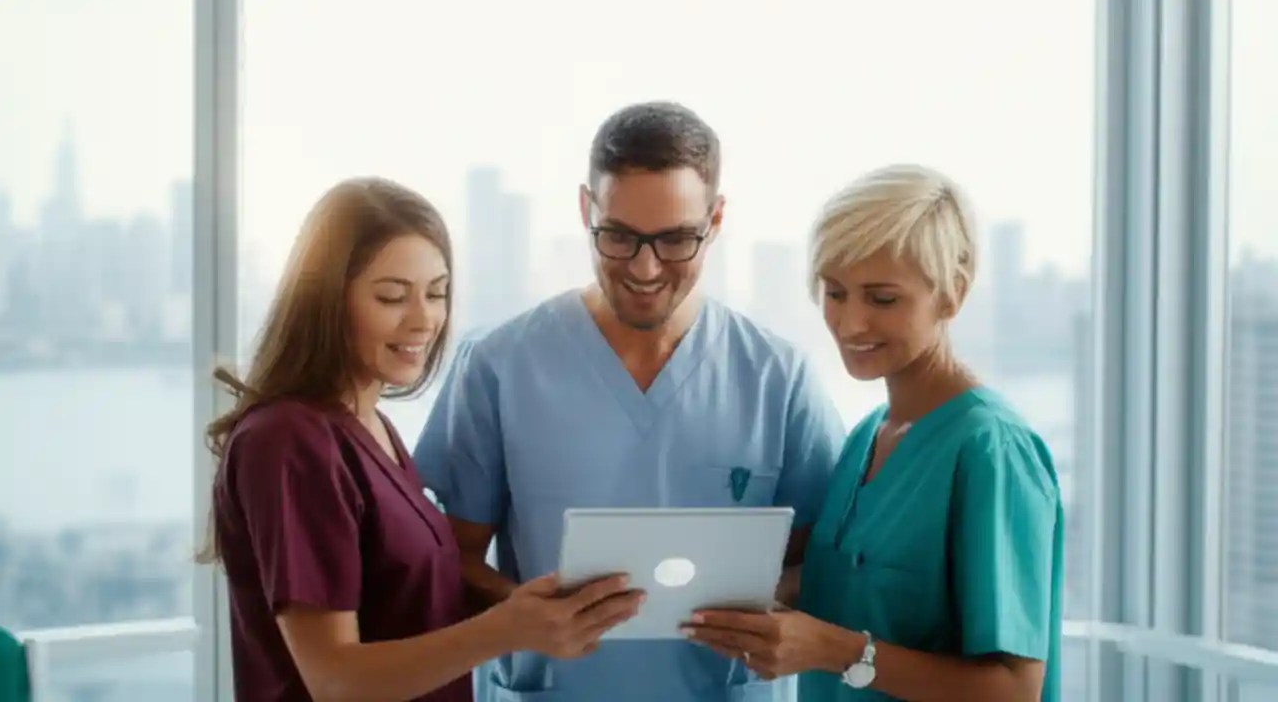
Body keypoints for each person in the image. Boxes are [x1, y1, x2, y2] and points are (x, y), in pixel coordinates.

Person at [412, 101, 846, 702]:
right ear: (587, 209)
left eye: (675, 241)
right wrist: (525, 615)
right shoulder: (499, 365)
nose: (645, 268)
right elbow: (448, 557)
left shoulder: (778, 377)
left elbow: (819, 565)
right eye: (618, 237)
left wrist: (769, 614)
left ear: (715, 220)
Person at [198, 178, 644, 702]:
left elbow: (410, 595)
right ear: (323, 299)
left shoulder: (372, 427)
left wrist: (533, 606)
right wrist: (508, 629)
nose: (424, 320)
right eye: (391, 296)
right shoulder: (289, 442)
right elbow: (336, 680)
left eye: (436, 293)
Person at [682, 164, 1064, 701]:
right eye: (835, 293)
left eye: (882, 299)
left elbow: (1014, 690)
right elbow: (854, 589)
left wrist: (830, 650)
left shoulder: (989, 450)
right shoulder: (867, 437)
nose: (850, 323)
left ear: (952, 293)